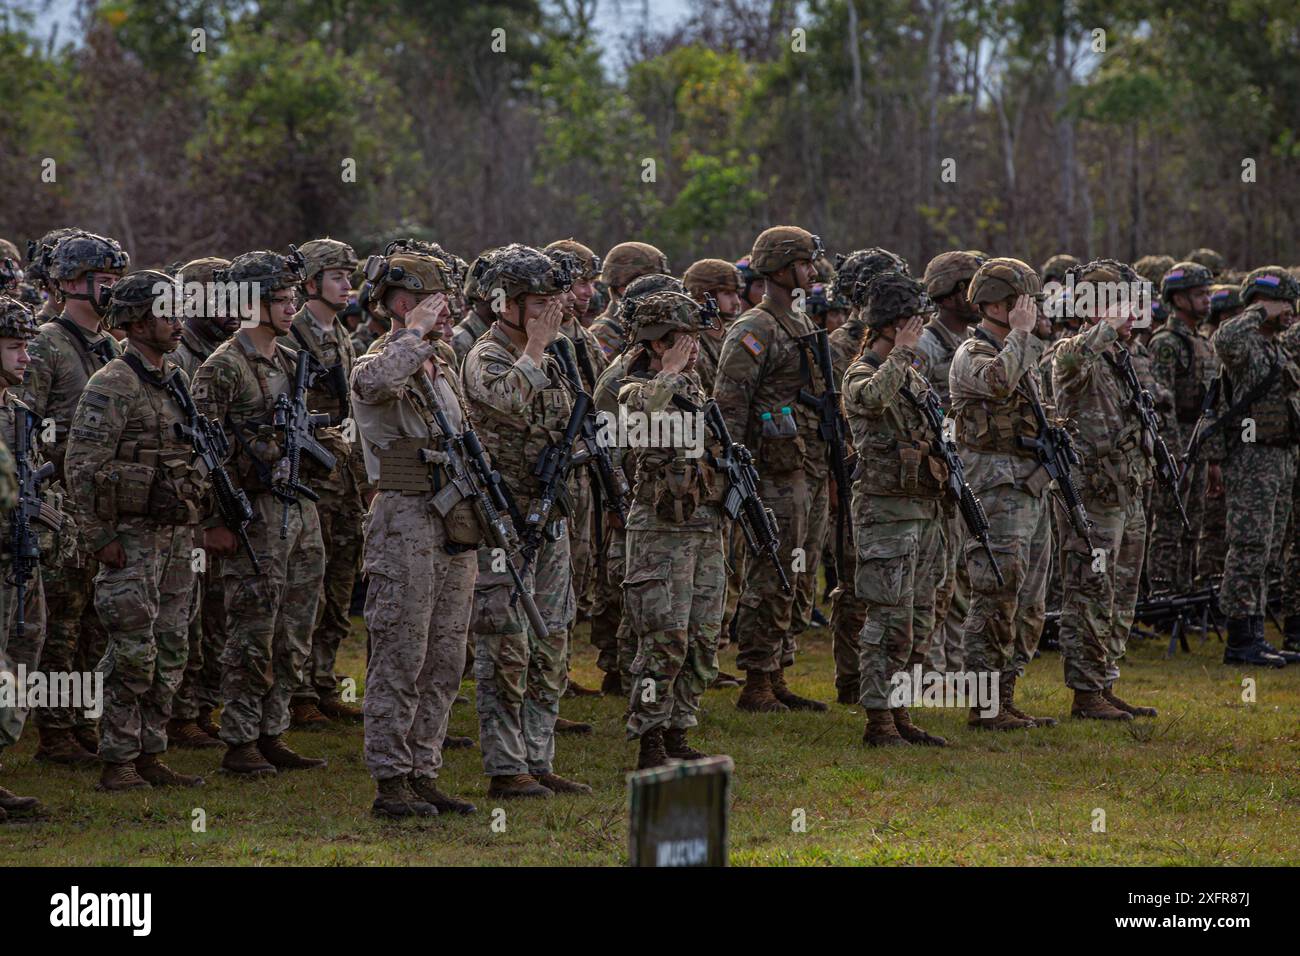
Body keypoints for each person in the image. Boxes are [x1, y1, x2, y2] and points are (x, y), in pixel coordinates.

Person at [65, 271, 208, 789]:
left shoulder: (175, 377)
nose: (177, 323)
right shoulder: (113, 383)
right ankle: (118, 758)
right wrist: (100, 538)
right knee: (131, 650)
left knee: (170, 646)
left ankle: (151, 752)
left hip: (173, 537)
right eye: (166, 313)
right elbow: (81, 467)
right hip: (130, 539)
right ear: (136, 320)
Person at [350, 246, 478, 817]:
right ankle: (390, 780)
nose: (448, 311)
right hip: (404, 515)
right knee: (401, 650)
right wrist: (416, 334)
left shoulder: (442, 363)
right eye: (435, 301)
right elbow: (372, 385)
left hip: (451, 516)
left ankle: (424, 768)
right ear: (404, 304)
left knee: (445, 656)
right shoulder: (384, 356)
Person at [192, 248, 329, 776]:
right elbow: (202, 451)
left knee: (295, 627)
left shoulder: (291, 361)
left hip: (298, 507)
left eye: (295, 297)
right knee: (251, 630)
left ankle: (274, 730)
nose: (292, 306)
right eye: (282, 298)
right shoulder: (221, 368)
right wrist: (214, 521)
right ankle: (241, 738)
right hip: (255, 515)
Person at [461, 244, 590, 799]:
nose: (551, 314)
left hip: (549, 516)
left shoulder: (556, 358)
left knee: (552, 641)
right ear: (505, 304)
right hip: (503, 525)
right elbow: (505, 401)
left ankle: (539, 759)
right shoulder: (485, 356)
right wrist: (536, 347)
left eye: (553, 304)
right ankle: (505, 766)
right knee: (505, 645)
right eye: (540, 303)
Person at [22, 231, 128, 764]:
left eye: (114, 281)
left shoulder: (110, 345)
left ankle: (83, 723)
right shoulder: (45, 343)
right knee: (60, 624)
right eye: (99, 281)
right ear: (67, 284)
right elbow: (22, 421)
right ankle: (55, 734)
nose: (109, 290)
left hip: (99, 502)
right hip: (57, 502)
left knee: (94, 620)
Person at [713, 226, 829, 713]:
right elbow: (729, 405)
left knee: (792, 571)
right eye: (805, 263)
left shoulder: (796, 321)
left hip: (795, 464)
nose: (813, 271)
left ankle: (776, 671)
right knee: (768, 569)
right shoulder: (755, 328)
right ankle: (757, 680)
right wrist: (735, 469)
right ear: (781, 269)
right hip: (764, 468)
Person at [615, 291, 728, 767]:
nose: (694, 348)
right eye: (683, 339)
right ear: (657, 343)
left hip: (702, 526)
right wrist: (670, 371)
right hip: (660, 531)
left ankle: (681, 730)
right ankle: (650, 738)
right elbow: (638, 416)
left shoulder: (694, 387)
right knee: (664, 637)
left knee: (703, 636)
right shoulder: (634, 387)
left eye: (695, 339)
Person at [841, 272, 948, 746]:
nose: (922, 328)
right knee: (887, 620)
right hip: (885, 513)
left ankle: (900, 712)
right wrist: (902, 353)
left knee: (918, 619)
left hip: (923, 510)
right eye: (914, 322)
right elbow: (871, 400)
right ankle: (878, 720)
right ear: (893, 324)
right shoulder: (862, 373)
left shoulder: (913, 375)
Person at [1050, 260, 1160, 720]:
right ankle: (1085, 691)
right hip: (1092, 495)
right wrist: (1107, 328)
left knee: (1120, 591)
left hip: (1127, 492)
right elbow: (1071, 360)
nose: (1133, 319)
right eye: (1123, 309)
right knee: (1090, 590)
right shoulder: (1072, 351)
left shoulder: (1123, 359)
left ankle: (1105, 679)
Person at [949, 257, 1056, 729]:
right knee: (995, 595)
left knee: (1030, 600)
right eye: (1019, 301)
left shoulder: (1021, 349)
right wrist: (1020, 334)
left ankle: (1005, 696)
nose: (1027, 310)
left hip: (1029, 487)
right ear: (992, 304)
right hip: (994, 488)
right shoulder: (972, 353)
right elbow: (998, 383)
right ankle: (984, 705)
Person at [286, 238, 367, 727]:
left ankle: (321, 681)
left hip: (343, 478)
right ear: (311, 283)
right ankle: (297, 691)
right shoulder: (293, 335)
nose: (346, 284)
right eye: (337, 276)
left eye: (348, 276)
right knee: (307, 589)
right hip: (312, 479)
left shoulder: (340, 333)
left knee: (337, 586)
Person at [1212, 267, 1300, 666]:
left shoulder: (1275, 348)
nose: (1290, 309)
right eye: (1284, 301)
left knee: (1268, 551)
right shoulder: (1242, 345)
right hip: (1252, 458)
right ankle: (1240, 640)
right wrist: (1259, 311)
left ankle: (1257, 635)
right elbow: (1225, 336)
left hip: (1279, 457)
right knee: (1248, 547)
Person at [167, 256, 237, 748]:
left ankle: (202, 706)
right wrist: (209, 516)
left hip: (224, 500)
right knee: (187, 615)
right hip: (193, 509)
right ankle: (181, 713)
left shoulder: (227, 352)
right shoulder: (182, 360)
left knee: (217, 615)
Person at [914, 250, 983, 675]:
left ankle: (954, 664)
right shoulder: (926, 343)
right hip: (937, 470)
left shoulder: (972, 341)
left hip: (968, 468)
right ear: (954, 292)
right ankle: (930, 666)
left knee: (964, 573)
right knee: (937, 575)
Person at [0, 295, 47, 818]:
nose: (25, 358)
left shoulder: (16, 412)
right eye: (14, 348)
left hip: (20, 558)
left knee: (22, 662)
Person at [1148, 262, 1219, 594]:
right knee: (1169, 524)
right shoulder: (1166, 342)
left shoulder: (1201, 341)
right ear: (1177, 299)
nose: (1207, 300)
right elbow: (1163, 405)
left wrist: (1212, 457)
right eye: (1199, 294)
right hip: (1178, 446)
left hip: (1199, 442)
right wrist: (1175, 454)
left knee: (1193, 524)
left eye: (1207, 293)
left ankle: (1185, 592)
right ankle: (1162, 594)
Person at [589, 242, 670, 361]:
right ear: (623, 288)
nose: (659, 294)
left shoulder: (649, 326)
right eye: (649, 286)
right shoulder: (604, 335)